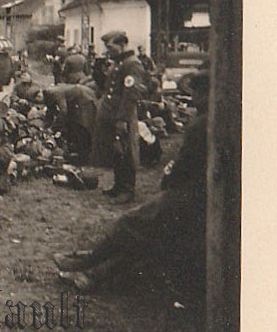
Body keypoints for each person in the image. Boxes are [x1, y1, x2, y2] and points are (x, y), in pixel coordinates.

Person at [55, 70, 209, 293]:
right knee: (146, 234)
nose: (193, 97)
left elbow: (183, 167)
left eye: (196, 93)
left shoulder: (201, 124)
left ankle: (87, 263)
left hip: (190, 195)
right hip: (196, 194)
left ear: (204, 94)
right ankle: (90, 271)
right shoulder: (208, 120)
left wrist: (168, 179)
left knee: (132, 224)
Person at [90, 31, 147, 205]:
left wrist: (122, 119)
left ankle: (127, 189)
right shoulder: (119, 63)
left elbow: (131, 94)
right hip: (111, 113)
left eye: (111, 47)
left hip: (123, 114)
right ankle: (118, 185)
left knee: (125, 151)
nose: (108, 50)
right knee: (116, 151)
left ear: (122, 45)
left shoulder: (132, 64)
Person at [41, 84, 98, 162]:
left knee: (84, 126)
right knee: (72, 124)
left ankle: (87, 154)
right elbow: (50, 111)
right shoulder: (50, 96)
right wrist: (45, 127)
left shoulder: (56, 93)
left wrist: (54, 127)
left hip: (85, 98)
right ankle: (76, 149)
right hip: (76, 101)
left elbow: (63, 111)